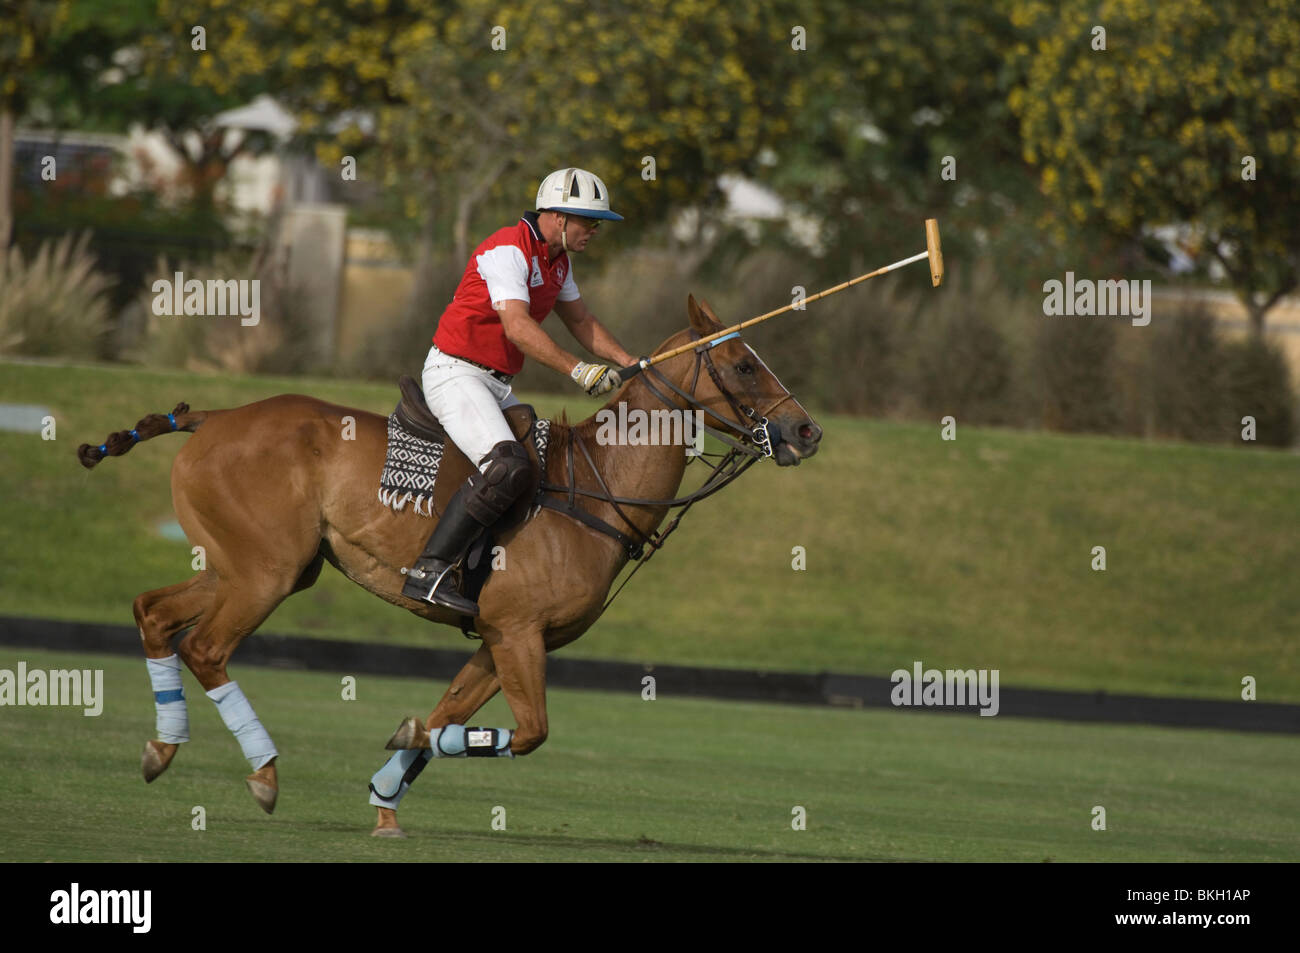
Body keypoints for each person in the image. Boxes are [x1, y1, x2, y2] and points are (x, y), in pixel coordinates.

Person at [401, 167, 638, 614]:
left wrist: (629, 364)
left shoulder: (558, 261)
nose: (595, 230)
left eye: (597, 222)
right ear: (557, 217)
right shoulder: (509, 248)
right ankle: (428, 571)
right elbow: (516, 326)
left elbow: (582, 321)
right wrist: (579, 371)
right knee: (507, 465)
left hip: (493, 383)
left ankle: (488, 575)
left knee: (541, 469)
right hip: (455, 373)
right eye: (589, 220)